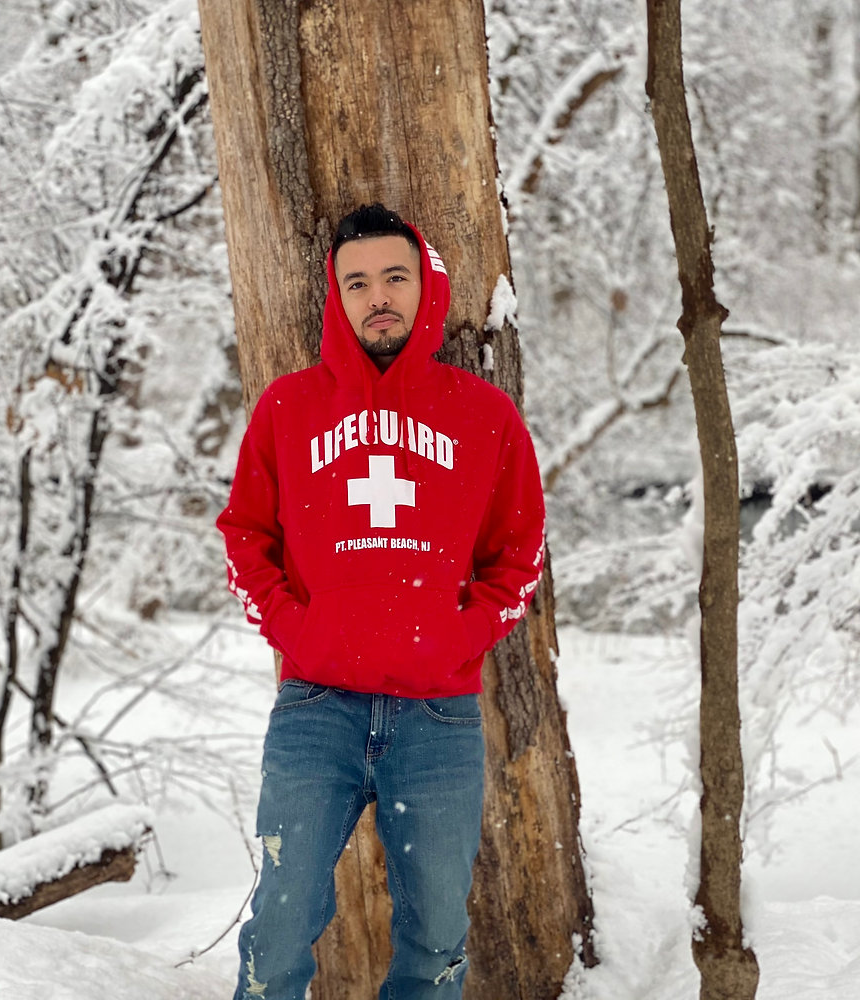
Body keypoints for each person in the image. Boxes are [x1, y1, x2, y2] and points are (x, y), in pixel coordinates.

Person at [217, 203, 545, 1000]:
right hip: (315, 708)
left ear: (425, 284)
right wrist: (299, 627)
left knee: (436, 939)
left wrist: (458, 637)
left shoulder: (483, 415)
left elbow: (520, 551)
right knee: (281, 924)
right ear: (337, 295)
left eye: (394, 276)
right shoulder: (290, 409)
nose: (377, 297)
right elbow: (244, 535)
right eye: (356, 282)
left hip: (438, 719)